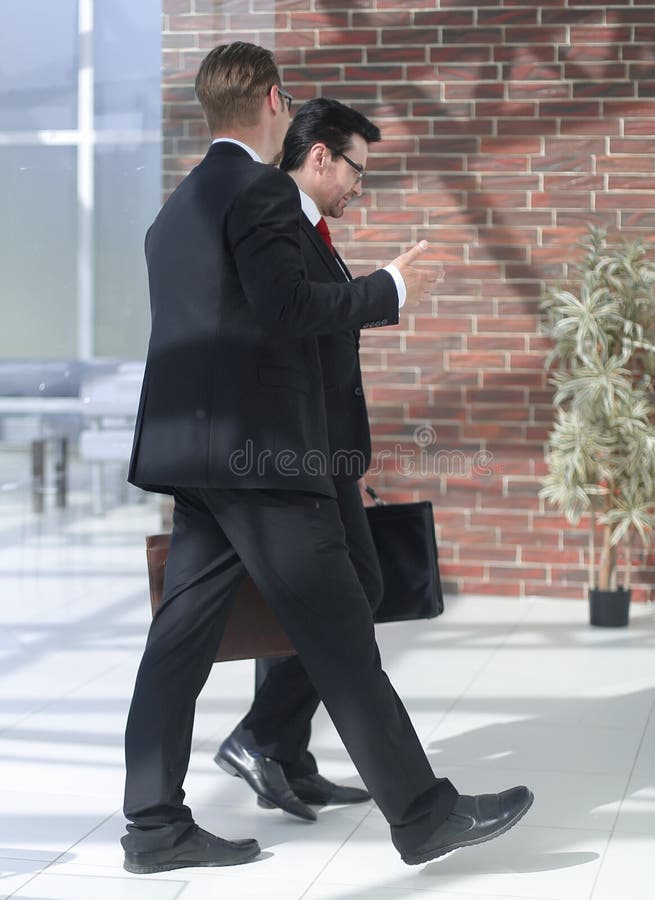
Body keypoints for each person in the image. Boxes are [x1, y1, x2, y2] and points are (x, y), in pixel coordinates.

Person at [121, 41, 533, 876]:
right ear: (274, 102)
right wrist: (390, 290)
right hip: (264, 460)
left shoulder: (177, 208)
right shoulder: (262, 190)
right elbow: (288, 307)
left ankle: (153, 828)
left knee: (177, 647)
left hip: (194, 460)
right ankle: (422, 816)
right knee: (342, 633)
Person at [215, 99, 391, 822]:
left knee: (325, 599)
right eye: (356, 169)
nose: (359, 186)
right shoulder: (277, 217)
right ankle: (260, 737)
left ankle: (286, 754)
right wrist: (382, 290)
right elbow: (291, 326)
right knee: (359, 590)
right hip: (295, 452)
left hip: (327, 448)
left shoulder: (307, 225)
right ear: (320, 155)